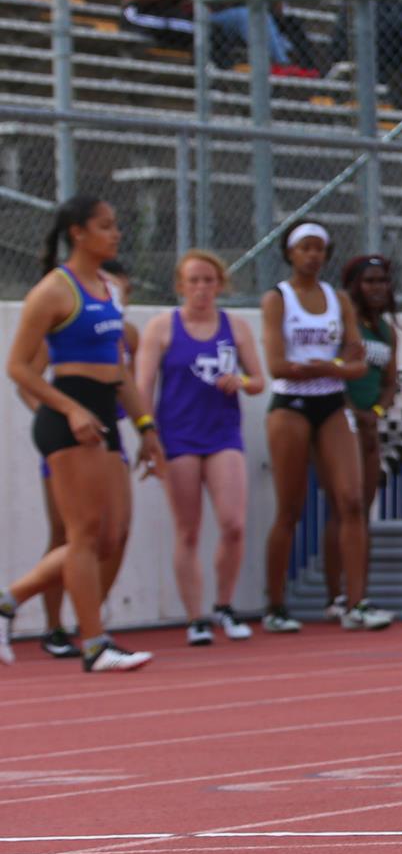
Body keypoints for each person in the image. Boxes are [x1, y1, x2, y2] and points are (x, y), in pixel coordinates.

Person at [0, 197, 162, 672]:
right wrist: (69, 409)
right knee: (85, 535)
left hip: (105, 415)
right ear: (78, 232)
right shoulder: (54, 290)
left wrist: (146, 429)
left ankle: (9, 601)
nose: (115, 234)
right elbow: (17, 367)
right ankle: (95, 645)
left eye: (115, 226)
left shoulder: (111, 287)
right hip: (68, 416)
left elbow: (120, 372)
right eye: (105, 227)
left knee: (112, 536)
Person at [259, 222, 393, 634]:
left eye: (320, 249)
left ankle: (355, 602)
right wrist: (331, 365)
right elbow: (278, 365)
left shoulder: (338, 301)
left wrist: (323, 366)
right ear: (291, 253)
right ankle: (276, 605)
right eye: (306, 248)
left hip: (332, 403)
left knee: (352, 500)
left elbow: (358, 364)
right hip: (291, 407)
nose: (314, 256)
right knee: (290, 507)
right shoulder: (278, 299)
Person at [135, 249, 266, 646]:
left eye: (209, 280)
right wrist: (148, 435)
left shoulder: (236, 327)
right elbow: (142, 386)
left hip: (222, 433)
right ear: (180, 286)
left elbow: (259, 379)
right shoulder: (162, 328)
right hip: (178, 437)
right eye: (193, 281)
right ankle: (196, 617)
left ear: (220, 285)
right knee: (187, 530)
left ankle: (224, 605)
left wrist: (240, 382)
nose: (201, 289)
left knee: (233, 523)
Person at [323, 254, 398, 617]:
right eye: (369, 281)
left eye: (382, 281)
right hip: (338, 421)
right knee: (342, 507)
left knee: (361, 510)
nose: (377, 288)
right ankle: (335, 594)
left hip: (370, 425)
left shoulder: (386, 331)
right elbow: (333, 372)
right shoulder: (341, 325)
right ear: (353, 285)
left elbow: (390, 383)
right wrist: (353, 412)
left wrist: (376, 413)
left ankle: (357, 592)